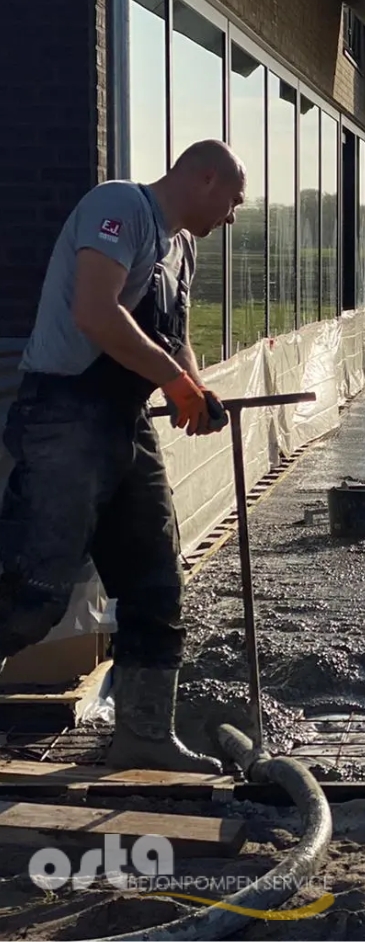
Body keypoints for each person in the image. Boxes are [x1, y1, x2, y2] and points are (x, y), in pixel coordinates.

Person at [0, 141, 246, 774]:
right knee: (32, 593)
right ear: (205, 178)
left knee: (155, 582)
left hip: (121, 422)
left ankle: (143, 735)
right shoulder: (119, 207)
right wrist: (173, 380)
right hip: (62, 415)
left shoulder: (182, 246)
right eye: (234, 200)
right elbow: (95, 313)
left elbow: (175, 337)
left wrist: (196, 386)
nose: (234, 216)